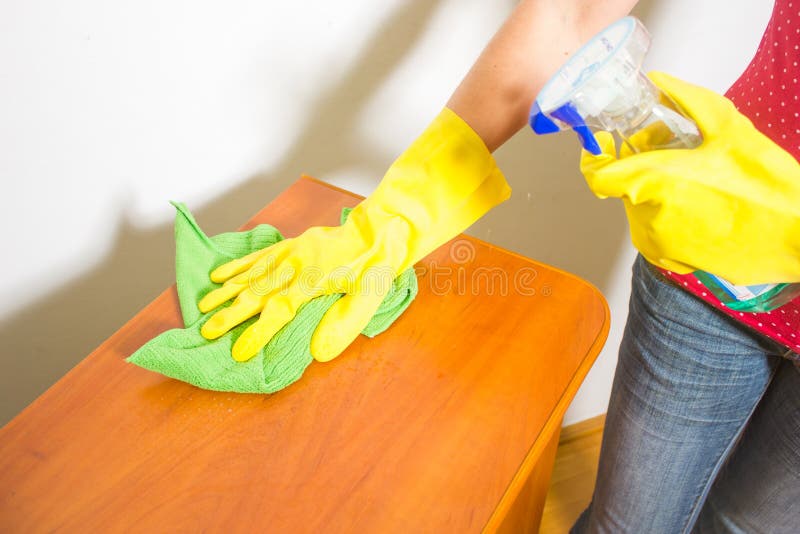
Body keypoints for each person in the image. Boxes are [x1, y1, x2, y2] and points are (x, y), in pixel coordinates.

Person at [198, 0, 800, 531]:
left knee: (745, 526)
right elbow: (569, 14)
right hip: (710, 255)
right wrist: (392, 220)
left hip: (744, 222)